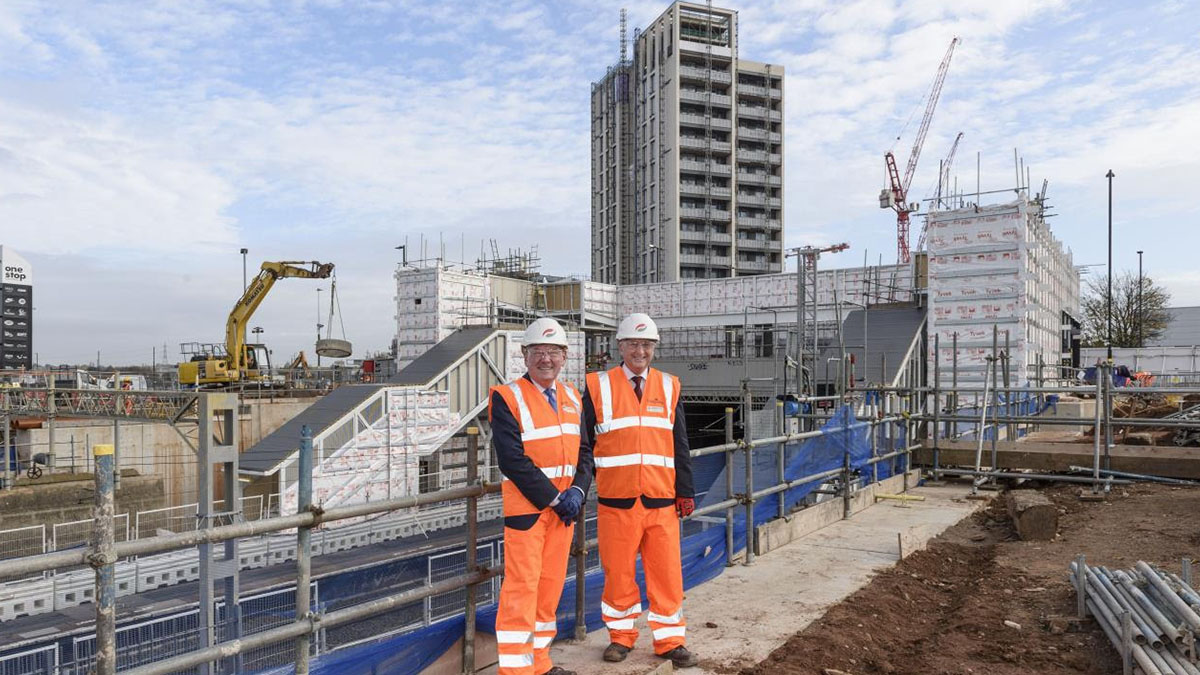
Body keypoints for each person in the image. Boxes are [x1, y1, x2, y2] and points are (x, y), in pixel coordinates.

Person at [581, 313, 698, 669]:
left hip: (661, 500)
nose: (640, 350)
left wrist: (685, 490)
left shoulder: (669, 385)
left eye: (646, 344)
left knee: (666, 574)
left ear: (654, 349)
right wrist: (579, 489)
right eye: (633, 343)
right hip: (617, 502)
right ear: (619, 346)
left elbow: (680, 442)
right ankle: (620, 638)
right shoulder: (598, 386)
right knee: (618, 574)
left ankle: (670, 641)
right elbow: (584, 445)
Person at [489, 317, 592, 675]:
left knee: (549, 590)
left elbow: (585, 453)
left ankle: (541, 664)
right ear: (524, 355)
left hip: (564, 513)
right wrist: (555, 498)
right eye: (538, 352)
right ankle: (516, 670)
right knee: (521, 590)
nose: (545, 359)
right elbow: (511, 459)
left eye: (553, 352)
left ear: (565, 356)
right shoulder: (507, 397)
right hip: (529, 511)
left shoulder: (572, 397)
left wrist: (578, 491)